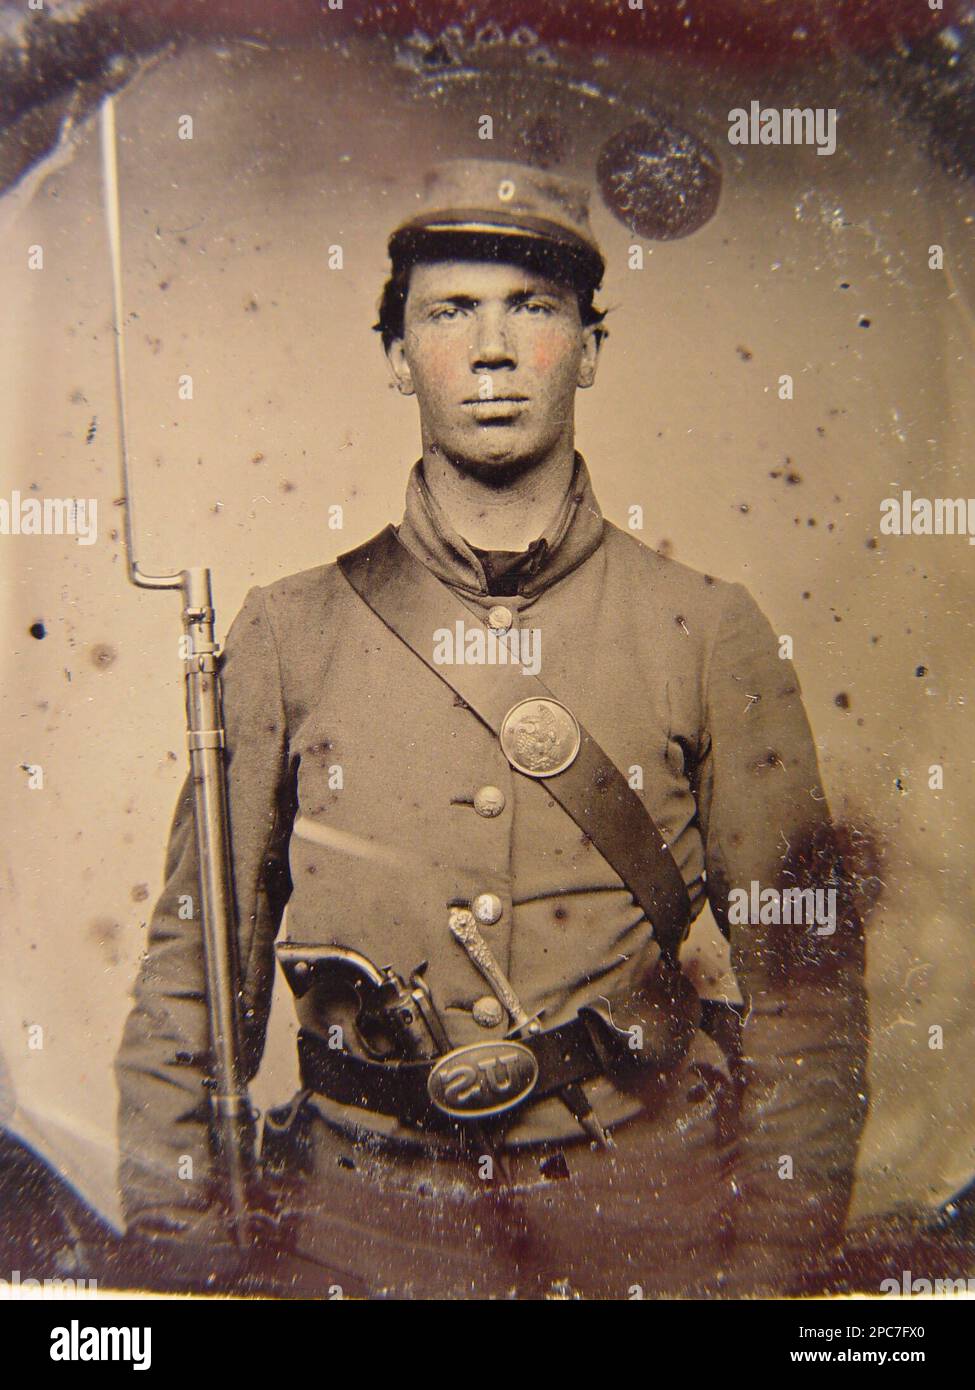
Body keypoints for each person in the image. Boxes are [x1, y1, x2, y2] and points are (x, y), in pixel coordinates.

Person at [115, 159, 869, 1299]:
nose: (494, 349)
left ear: (592, 349)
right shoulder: (285, 633)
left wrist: (769, 1269)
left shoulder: (709, 632)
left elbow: (804, 990)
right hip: (354, 1234)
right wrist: (179, 1257)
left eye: (535, 308)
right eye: (450, 312)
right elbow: (192, 976)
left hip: (646, 1229)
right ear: (395, 357)